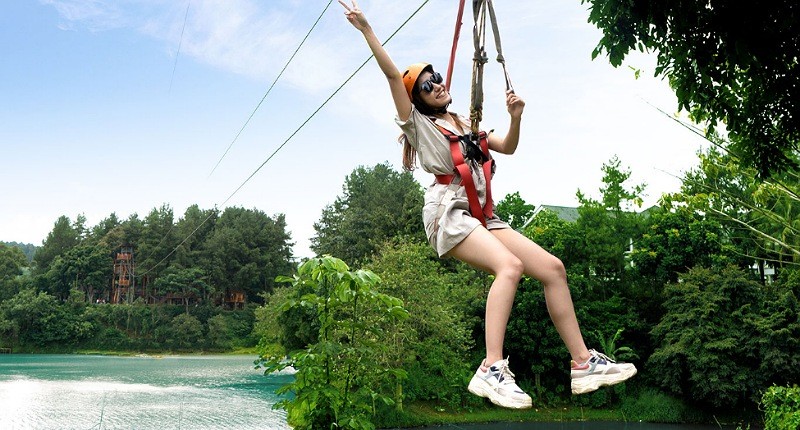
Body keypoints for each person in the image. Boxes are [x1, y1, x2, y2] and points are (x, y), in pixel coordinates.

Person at [340, 0, 636, 409]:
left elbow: (508, 148)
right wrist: (366, 28)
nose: (437, 84)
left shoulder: (465, 124)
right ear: (417, 100)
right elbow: (393, 75)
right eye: (427, 85)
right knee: (509, 267)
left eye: (437, 77)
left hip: (482, 214)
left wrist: (516, 117)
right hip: (449, 213)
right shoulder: (419, 126)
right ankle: (491, 367)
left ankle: (583, 363)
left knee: (553, 270)